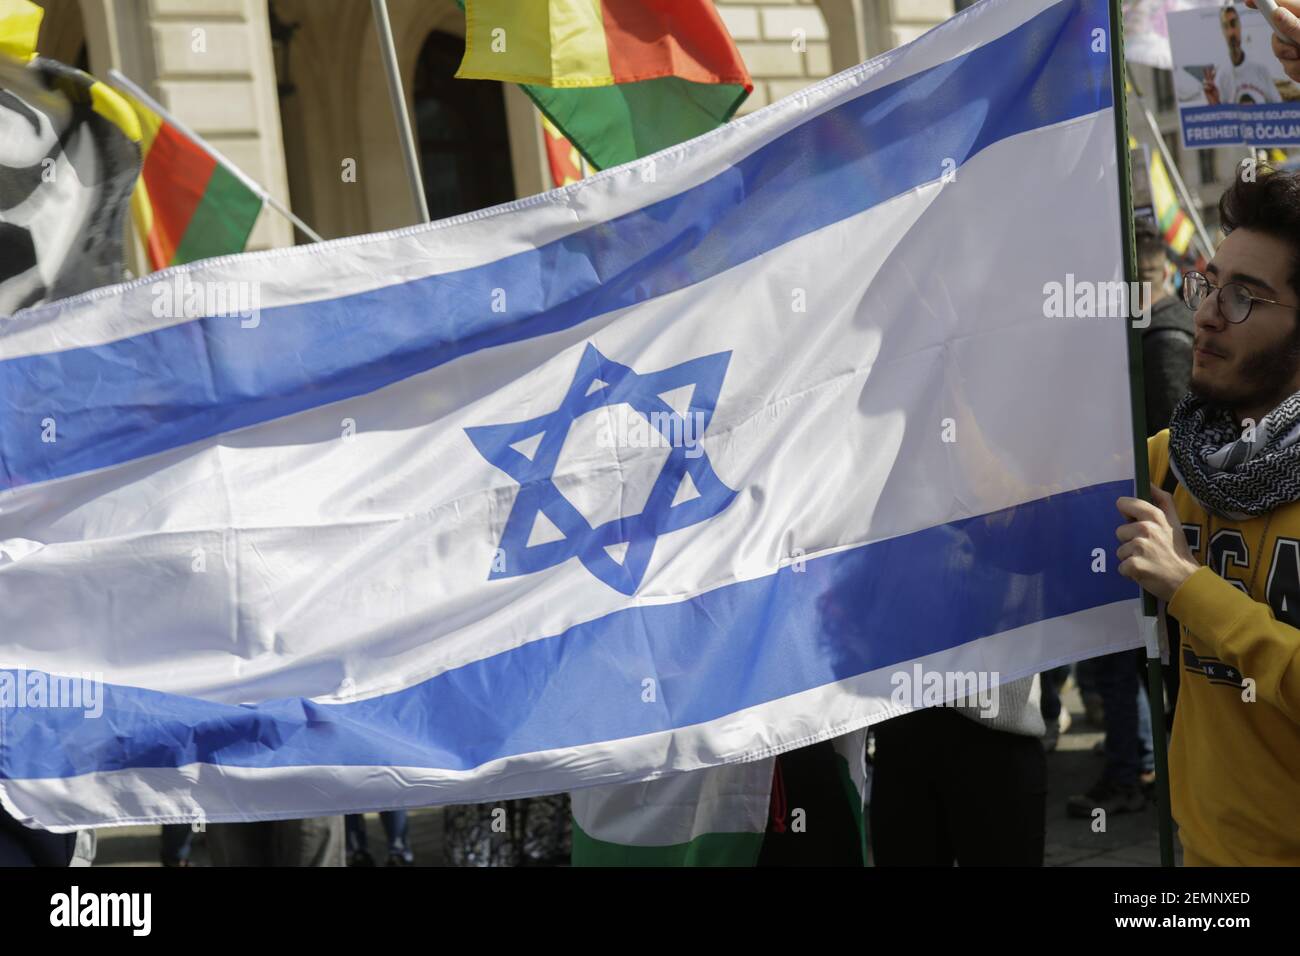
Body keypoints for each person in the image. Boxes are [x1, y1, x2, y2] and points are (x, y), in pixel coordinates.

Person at [1114, 166, 1300, 865]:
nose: (1210, 312)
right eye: (1210, 284)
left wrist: (1191, 590)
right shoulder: (1170, 462)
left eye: (1246, 298)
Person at [1066, 219, 1193, 817]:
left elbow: (1171, 450)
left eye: (1141, 280)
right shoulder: (1143, 334)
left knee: (1138, 664)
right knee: (1131, 665)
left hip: (1152, 533)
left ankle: (1143, 768)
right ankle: (1145, 764)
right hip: (1133, 529)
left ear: (1162, 275)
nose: (1134, 293)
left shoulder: (1165, 342)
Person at [1204, 4, 1281, 106]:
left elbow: (1279, 110)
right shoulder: (1221, 76)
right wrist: (1215, 104)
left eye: (1233, 24)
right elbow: (1222, 117)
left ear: (1240, 25)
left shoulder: (1261, 70)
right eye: (1225, 26)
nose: (1231, 32)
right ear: (1222, 31)